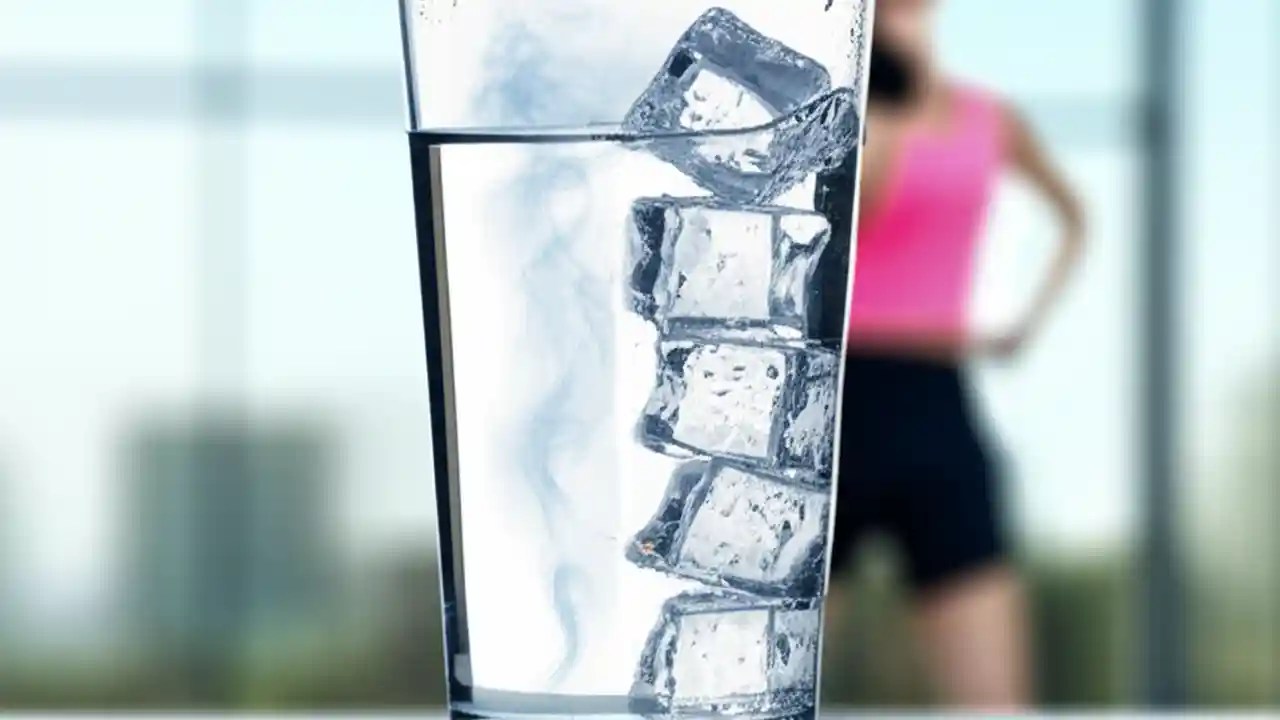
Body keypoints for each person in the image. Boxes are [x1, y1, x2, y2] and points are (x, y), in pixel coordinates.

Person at [828, 0, 1086, 709]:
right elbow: (853, 217)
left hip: (939, 400)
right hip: (834, 403)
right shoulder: (844, 115)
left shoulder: (988, 119)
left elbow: (1073, 217)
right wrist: (880, 114)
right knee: (770, 680)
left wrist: (1021, 324)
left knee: (993, 698)